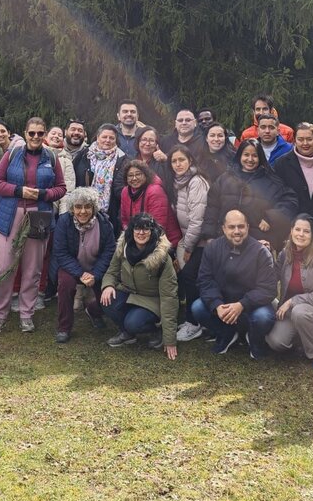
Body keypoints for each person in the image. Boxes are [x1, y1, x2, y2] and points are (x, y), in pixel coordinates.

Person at [0, 117, 67, 333]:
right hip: (10, 213)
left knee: (33, 267)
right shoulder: (12, 154)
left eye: (40, 133)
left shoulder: (51, 156)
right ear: (25, 133)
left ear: (44, 135)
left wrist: (44, 194)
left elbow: (61, 188)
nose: (35, 137)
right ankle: (0, 313)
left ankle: (26, 314)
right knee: (3, 265)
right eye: (32, 133)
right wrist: (18, 190)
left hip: (39, 214)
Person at [192, 210, 278, 357]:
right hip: (224, 305)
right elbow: (205, 281)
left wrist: (242, 304)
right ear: (224, 228)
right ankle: (227, 334)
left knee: (263, 317)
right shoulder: (212, 248)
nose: (237, 231)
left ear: (248, 227)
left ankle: (254, 339)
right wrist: (217, 305)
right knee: (198, 308)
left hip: (253, 306)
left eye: (241, 226)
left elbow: (268, 289)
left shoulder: (261, 252)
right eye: (231, 227)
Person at [100, 213, 179, 359]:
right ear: (131, 230)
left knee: (133, 322)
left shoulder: (162, 257)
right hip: (130, 293)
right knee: (107, 300)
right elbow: (111, 272)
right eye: (137, 228)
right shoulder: (123, 247)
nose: (141, 233)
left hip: (152, 300)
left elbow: (169, 297)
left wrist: (170, 340)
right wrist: (108, 286)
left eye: (146, 229)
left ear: (152, 231)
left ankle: (156, 330)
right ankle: (127, 333)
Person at [266, 215, 313, 371]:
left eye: (306, 231)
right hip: (291, 310)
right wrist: (266, 253)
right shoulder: (286, 253)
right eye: (297, 229)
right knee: (276, 343)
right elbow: (271, 278)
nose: (301, 234)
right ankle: (300, 339)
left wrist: (292, 301)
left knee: (300, 312)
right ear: (291, 231)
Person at [201, 139, 297, 252]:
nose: (250, 159)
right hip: (224, 241)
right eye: (246, 155)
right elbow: (212, 208)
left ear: (260, 158)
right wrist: (209, 235)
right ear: (239, 156)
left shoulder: (271, 180)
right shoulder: (224, 179)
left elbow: (290, 202)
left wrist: (271, 218)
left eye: (254, 156)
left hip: (257, 244)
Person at [52, 187, 117, 342]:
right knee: (65, 285)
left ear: (94, 208)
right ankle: (64, 327)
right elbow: (61, 253)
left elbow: (109, 252)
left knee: (109, 296)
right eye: (78, 207)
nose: (83, 211)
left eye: (87, 206)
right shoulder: (64, 222)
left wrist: (95, 274)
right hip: (71, 267)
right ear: (72, 209)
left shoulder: (105, 224)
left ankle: (93, 312)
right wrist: (80, 273)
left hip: (97, 269)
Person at [168, 147, 209, 340]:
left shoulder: (195, 182)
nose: (178, 164)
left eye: (181, 160)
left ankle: (195, 323)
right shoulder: (179, 182)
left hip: (199, 240)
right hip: (188, 238)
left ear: (190, 161)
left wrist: (189, 247)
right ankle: (193, 318)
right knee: (188, 278)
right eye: (174, 161)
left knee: (189, 277)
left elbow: (197, 219)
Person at [74, 124, 126, 228]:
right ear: (98, 137)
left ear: (116, 140)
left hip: (110, 214)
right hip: (83, 211)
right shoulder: (84, 155)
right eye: (104, 137)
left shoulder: (123, 159)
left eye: (111, 138)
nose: (107, 140)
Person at [119, 159, 180, 245]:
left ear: (146, 174)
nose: (134, 178)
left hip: (163, 241)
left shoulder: (155, 191)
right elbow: (125, 220)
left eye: (138, 174)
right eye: (130, 175)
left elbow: (159, 226)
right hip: (139, 238)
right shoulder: (125, 192)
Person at [274, 123, 313, 223]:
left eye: (309, 139)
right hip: (290, 224)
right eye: (300, 139)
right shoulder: (281, 164)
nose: (305, 143)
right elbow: (277, 195)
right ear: (294, 141)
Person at [44, 126, 78, 214]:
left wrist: (63, 215)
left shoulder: (66, 161)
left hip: (52, 209)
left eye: (60, 135)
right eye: (53, 133)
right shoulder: (35, 153)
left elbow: (68, 191)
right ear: (45, 136)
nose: (56, 136)